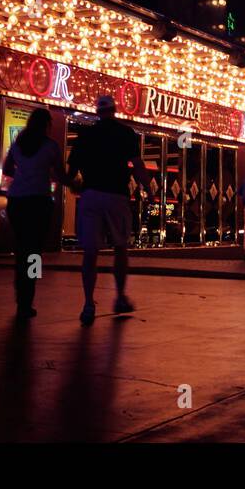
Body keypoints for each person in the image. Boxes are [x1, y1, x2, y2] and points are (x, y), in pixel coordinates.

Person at [68, 94, 143, 324]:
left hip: (91, 195)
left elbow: (72, 171)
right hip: (117, 195)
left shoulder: (86, 135)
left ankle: (88, 304)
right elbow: (137, 164)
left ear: (97, 112)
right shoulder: (126, 133)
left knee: (91, 253)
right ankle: (120, 296)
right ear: (115, 109)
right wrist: (146, 187)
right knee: (120, 248)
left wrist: (70, 184)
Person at [2, 108, 66, 321]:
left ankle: (21, 298)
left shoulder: (18, 144)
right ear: (46, 125)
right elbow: (61, 175)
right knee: (35, 251)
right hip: (39, 201)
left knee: (21, 249)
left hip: (17, 201)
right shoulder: (50, 147)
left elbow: (7, 169)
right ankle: (28, 299)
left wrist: (24, 174)